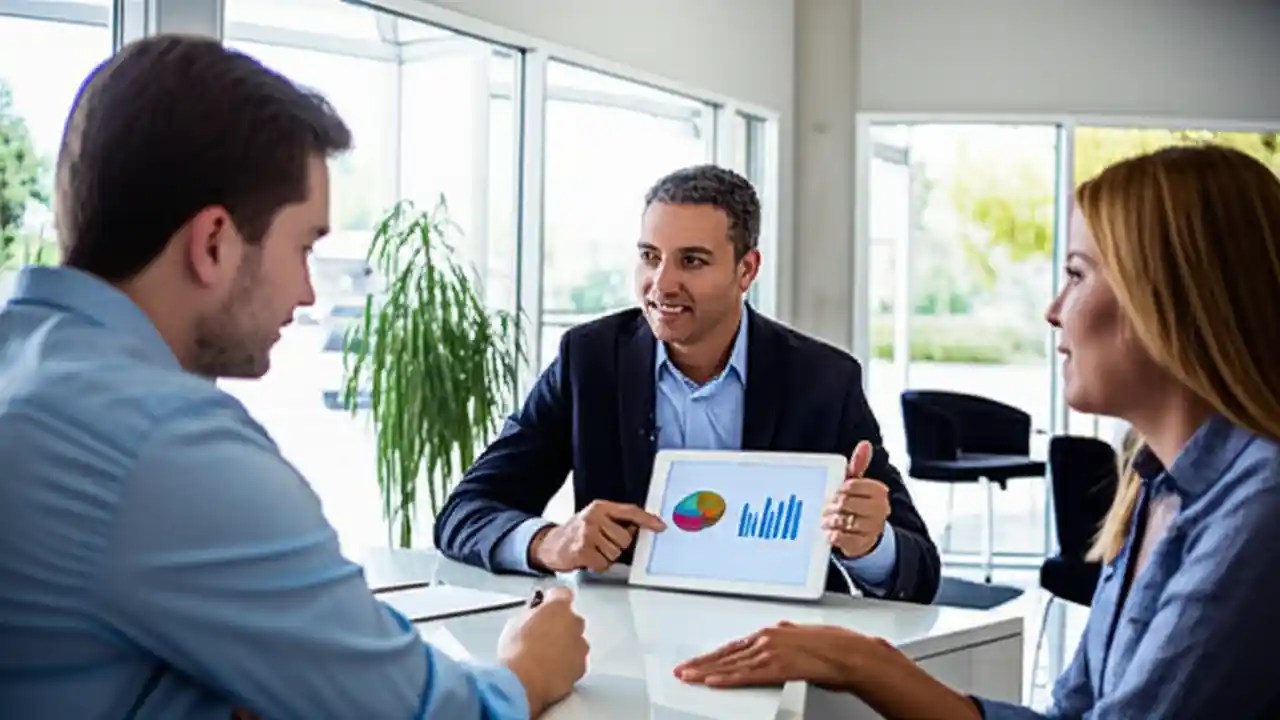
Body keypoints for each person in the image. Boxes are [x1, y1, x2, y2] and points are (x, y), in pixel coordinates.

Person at [0, 35, 587, 719]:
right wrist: (524, 672)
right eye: (305, 245)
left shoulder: (28, 371)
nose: (309, 293)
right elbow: (419, 712)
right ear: (214, 242)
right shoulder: (164, 443)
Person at [672, 145, 1280, 718]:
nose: (1053, 310)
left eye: (1076, 275)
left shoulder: (1258, 508)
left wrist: (860, 657)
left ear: (1169, 298)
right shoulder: (1153, 489)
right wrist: (855, 659)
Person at [434, 164, 940, 603]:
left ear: (747, 269)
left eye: (691, 261)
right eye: (650, 256)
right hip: (626, 644)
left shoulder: (823, 380)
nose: (662, 283)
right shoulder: (588, 361)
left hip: (780, 648)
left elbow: (919, 572)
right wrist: (548, 541)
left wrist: (870, 545)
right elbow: (465, 512)